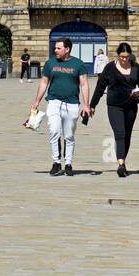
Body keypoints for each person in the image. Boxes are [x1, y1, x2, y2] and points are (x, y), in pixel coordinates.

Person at [30, 37, 90, 176]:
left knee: (69, 135)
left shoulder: (78, 64)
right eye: (55, 48)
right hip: (54, 102)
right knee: (54, 131)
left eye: (58, 48)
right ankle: (56, 162)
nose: (55, 50)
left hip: (72, 104)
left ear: (67, 49)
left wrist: (86, 104)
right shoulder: (50, 63)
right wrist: (37, 101)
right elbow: (44, 82)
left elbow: (84, 84)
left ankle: (68, 163)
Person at [90, 42, 139, 177]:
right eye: (122, 57)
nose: (124, 59)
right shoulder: (110, 68)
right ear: (118, 55)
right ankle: (120, 164)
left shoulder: (136, 68)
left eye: (127, 57)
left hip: (131, 105)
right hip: (114, 105)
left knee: (127, 135)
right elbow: (100, 87)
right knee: (120, 133)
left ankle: (123, 160)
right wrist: (92, 105)